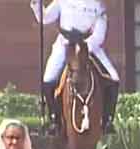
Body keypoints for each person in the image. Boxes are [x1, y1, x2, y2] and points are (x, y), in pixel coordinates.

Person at [33, 0, 120, 135]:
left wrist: (83, 48)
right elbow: (44, 18)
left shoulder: (98, 6)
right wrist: (36, 4)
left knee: (113, 77)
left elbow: (99, 35)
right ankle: (54, 119)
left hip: (89, 46)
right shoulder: (62, 1)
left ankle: (107, 119)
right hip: (65, 44)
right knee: (48, 78)